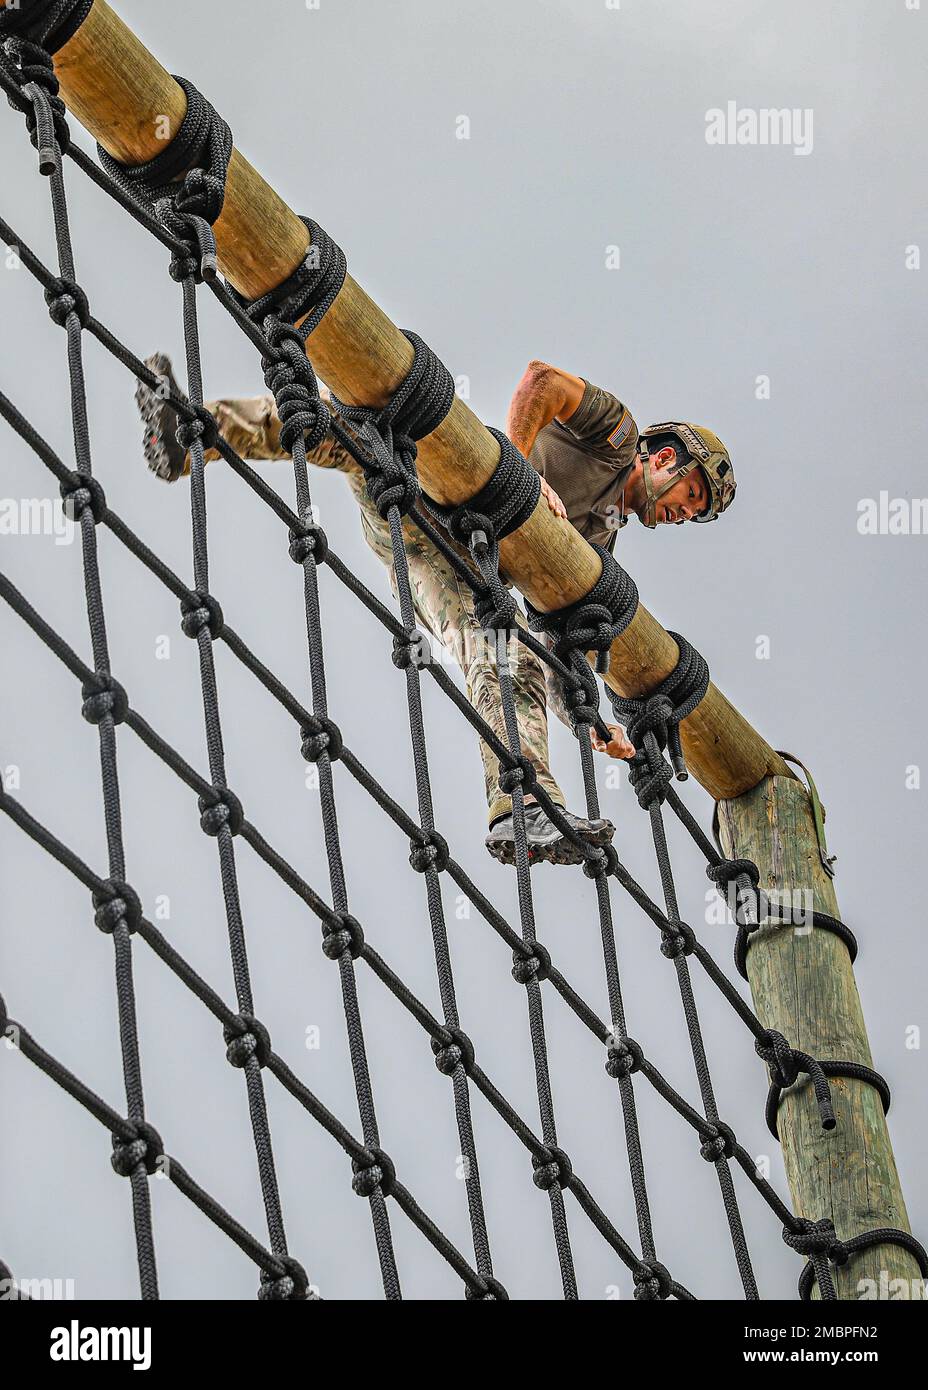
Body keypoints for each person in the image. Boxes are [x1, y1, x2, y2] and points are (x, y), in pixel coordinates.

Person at [136, 356, 735, 865]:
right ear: (664, 460)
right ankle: (190, 432)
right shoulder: (616, 433)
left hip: (442, 559)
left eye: (698, 511)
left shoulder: (598, 545)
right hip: (431, 485)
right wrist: (519, 470)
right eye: (693, 495)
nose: (688, 512)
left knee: (504, 649)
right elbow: (541, 382)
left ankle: (522, 804)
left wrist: (588, 721)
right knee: (345, 429)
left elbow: (556, 640)